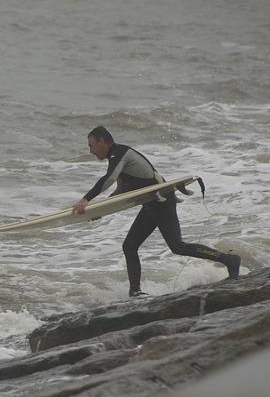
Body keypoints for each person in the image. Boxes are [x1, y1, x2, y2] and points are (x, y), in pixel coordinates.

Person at [72, 126, 241, 297]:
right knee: (129, 246)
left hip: (163, 201)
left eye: (91, 145)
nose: (91, 151)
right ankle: (135, 292)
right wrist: (101, 210)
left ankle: (229, 260)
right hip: (151, 204)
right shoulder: (118, 160)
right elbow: (121, 191)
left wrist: (86, 199)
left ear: (102, 141)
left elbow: (109, 179)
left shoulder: (120, 153)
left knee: (177, 246)